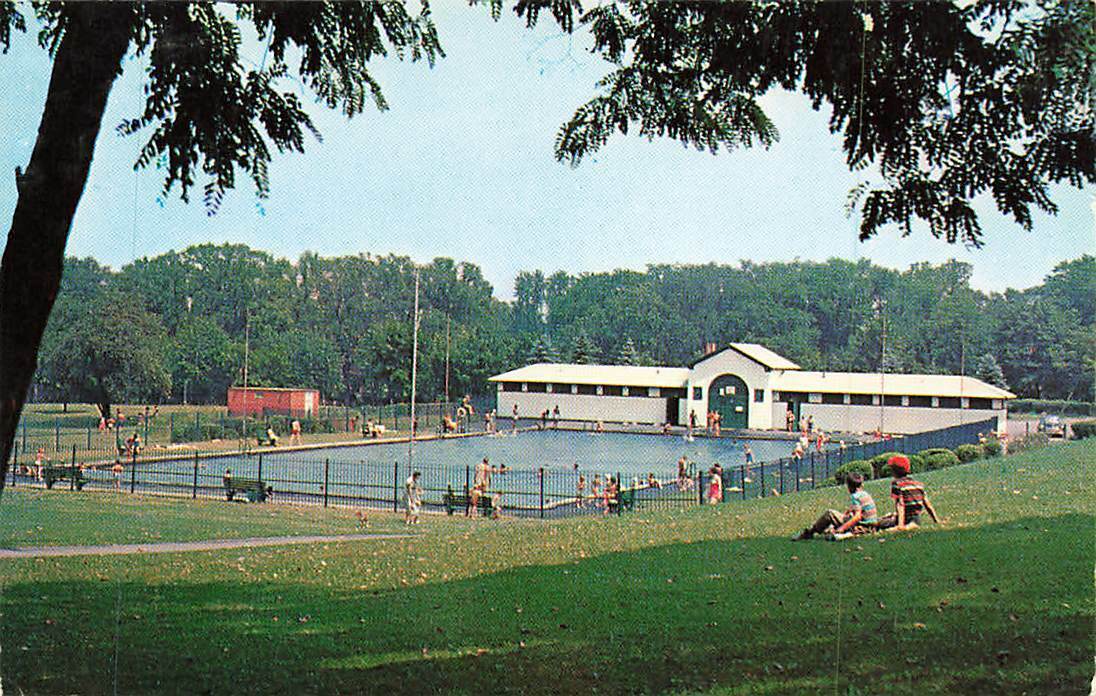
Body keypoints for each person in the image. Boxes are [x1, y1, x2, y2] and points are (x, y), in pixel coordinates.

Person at [793, 472, 879, 540]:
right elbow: (857, 510)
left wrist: (842, 528)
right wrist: (848, 513)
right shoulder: (865, 494)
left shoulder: (855, 496)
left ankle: (810, 532)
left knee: (830, 514)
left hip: (862, 527)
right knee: (843, 517)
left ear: (849, 486)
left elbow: (857, 517)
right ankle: (831, 530)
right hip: (872, 526)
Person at [877, 455, 942, 531]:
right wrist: (936, 520)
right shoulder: (918, 485)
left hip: (904, 519)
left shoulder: (897, 484)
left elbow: (900, 504)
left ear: (894, 471)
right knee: (889, 518)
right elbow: (927, 504)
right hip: (916, 519)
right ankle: (911, 525)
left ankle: (904, 526)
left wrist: (900, 525)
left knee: (879, 523)